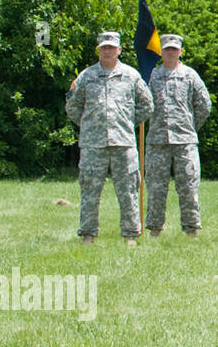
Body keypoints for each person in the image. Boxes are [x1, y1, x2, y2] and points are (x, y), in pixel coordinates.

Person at [64, 31, 153, 245]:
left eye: (111, 47)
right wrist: (90, 124)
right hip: (93, 144)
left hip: (123, 143)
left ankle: (130, 235)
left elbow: (147, 105)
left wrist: (126, 122)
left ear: (119, 50)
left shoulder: (131, 76)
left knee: (129, 191)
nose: (107, 51)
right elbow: (73, 107)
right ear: (98, 49)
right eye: (104, 47)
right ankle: (88, 234)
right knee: (90, 191)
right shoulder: (86, 77)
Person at [144, 34, 211, 238]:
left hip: (185, 142)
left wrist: (190, 127)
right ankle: (155, 230)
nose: (171, 52)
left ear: (181, 51)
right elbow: (142, 104)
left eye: (175, 49)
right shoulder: (151, 76)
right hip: (157, 141)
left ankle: (191, 230)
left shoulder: (190, 75)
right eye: (167, 49)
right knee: (156, 189)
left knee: (189, 188)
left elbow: (204, 105)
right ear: (161, 52)